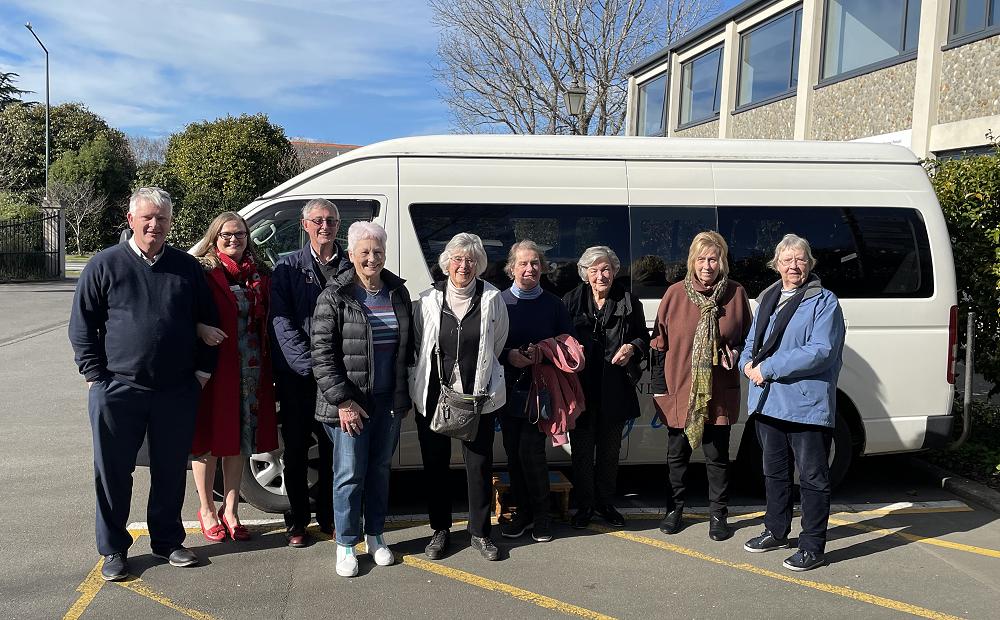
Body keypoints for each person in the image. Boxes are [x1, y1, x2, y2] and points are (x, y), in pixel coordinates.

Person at [69, 187, 218, 581]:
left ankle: (168, 541)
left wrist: (201, 374)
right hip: (117, 388)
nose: (155, 225)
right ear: (131, 219)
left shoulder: (187, 267)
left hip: (176, 390)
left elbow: (209, 321)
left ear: (171, 223)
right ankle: (114, 549)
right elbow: (82, 326)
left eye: (163, 218)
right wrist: (94, 377)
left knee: (170, 470)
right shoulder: (104, 265)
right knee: (113, 472)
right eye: (148, 217)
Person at [311, 221, 413, 578]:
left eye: (378, 251)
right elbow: (321, 356)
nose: (372, 257)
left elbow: (408, 347)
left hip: (388, 400)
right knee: (349, 474)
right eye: (365, 251)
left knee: (380, 471)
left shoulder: (397, 292)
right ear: (351, 255)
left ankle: (375, 536)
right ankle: (346, 545)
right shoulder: (335, 295)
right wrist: (342, 401)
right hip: (350, 404)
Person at [739, 234, 845, 572]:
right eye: (787, 260)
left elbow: (821, 351)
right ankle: (775, 529)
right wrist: (745, 363)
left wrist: (767, 368)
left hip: (806, 405)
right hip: (769, 401)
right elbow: (753, 341)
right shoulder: (768, 296)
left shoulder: (824, 301)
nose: (793, 265)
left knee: (813, 477)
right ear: (777, 264)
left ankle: (813, 545)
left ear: (810, 264)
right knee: (774, 472)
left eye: (800, 259)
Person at [410, 233, 509, 561]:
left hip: (476, 396)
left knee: (478, 465)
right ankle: (440, 530)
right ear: (447, 263)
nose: (463, 265)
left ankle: (481, 533)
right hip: (433, 395)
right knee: (435, 466)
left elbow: (497, 344)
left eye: (470, 260)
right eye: (457, 259)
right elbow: (420, 343)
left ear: (478, 264)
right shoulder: (427, 299)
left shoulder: (493, 299)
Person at [651, 231, 751, 541]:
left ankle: (718, 515)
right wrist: (658, 386)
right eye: (701, 258)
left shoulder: (736, 294)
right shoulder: (675, 295)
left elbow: (749, 340)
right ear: (691, 261)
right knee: (676, 457)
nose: (707, 265)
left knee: (717, 457)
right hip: (680, 389)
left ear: (722, 262)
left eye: (713, 258)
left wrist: (734, 352)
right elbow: (659, 344)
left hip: (718, 391)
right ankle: (674, 510)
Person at [189, 212, 278, 542]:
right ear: (214, 237)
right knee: (210, 441)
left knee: (241, 441)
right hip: (213, 369)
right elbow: (183, 312)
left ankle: (231, 510)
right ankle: (207, 509)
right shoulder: (202, 270)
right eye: (226, 234)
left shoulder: (258, 271)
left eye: (239, 233)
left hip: (251, 368)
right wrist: (199, 328)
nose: (233, 239)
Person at [270, 198, 346, 547]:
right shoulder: (286, 268)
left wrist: (332, 371)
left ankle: (331, 518)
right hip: (298, 377)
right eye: (318, 220)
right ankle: (297, 521)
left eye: (330, 220)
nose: (324, 226)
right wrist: (313, 366)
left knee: (335, 453)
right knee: (296, 452)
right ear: (305, 225)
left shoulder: (350, 266)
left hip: (340, 377)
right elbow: (281, 322)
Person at [562, 246, 649, 529]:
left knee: (610, 453)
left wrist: (632, 347)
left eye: (606, 269)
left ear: (614, 271)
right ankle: (585, 506)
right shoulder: (571, 301)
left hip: (615, 389)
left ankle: (606, 504)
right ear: (585, 274)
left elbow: (643, 338)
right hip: (581, 390)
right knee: (583, 453)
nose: (601, 275)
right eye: (595, 270)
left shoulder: (628, 301)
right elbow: (559, 341)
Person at [497, 240, 575, 544]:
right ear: (511, 268)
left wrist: (542, 353)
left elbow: (569, 343)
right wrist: (509, 355)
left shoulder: (554, 305)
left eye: (535, 263)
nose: (529, 269)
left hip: (541, 390)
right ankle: (523, 512)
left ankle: (542, 516)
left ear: (542, 267)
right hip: (507, 388)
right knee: (513, 453)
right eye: (523, 263)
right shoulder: (500, 302)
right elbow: (489, 344)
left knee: (532, 452)